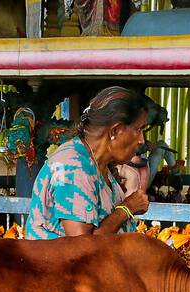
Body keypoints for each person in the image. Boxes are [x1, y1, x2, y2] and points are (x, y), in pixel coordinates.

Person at [23, 86, 151, 240]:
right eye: (139, 129)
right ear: (114, 131)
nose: (142, 140)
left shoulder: (99, 165)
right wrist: (127, 208)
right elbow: (82, 247)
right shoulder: (73, 166)